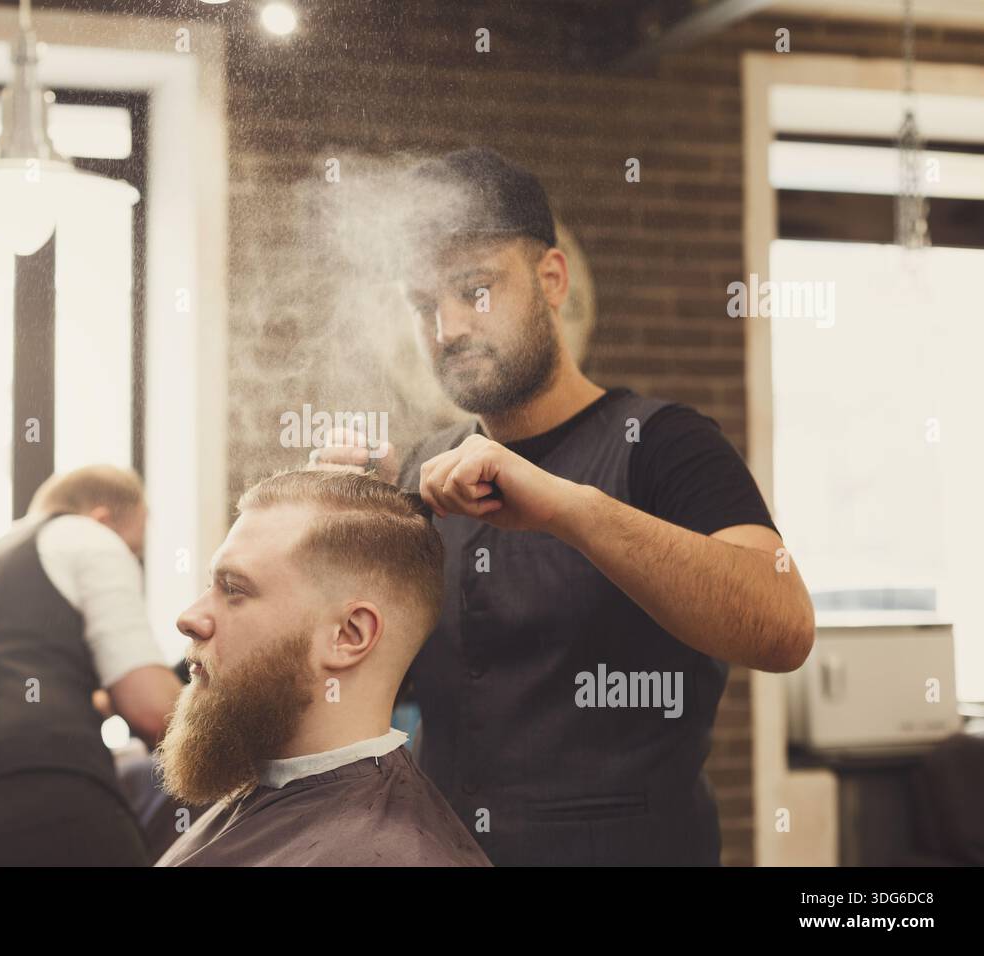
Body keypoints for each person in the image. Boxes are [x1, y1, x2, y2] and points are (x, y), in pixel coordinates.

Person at [312, 147, 816, 865]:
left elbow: (783, 626)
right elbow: (363, 678)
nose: (448, 328)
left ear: (552, 279)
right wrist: (338, 540)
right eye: (424, 305)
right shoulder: (427, 469)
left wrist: (567, 508)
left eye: (475, 289)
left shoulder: (665, 444)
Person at [154, 470, 491, 867]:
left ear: (348, 635)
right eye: (210, 585)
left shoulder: (392, 855)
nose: (189, 618)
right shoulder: (266, 791)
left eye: (234, 589)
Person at [0, 465, 183, 866]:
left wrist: (101, 704)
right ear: (102, 519)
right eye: (133, 550)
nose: (131, 559)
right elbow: (155, 712)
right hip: (50, 807)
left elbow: (7, 698)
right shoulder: (89, 537)